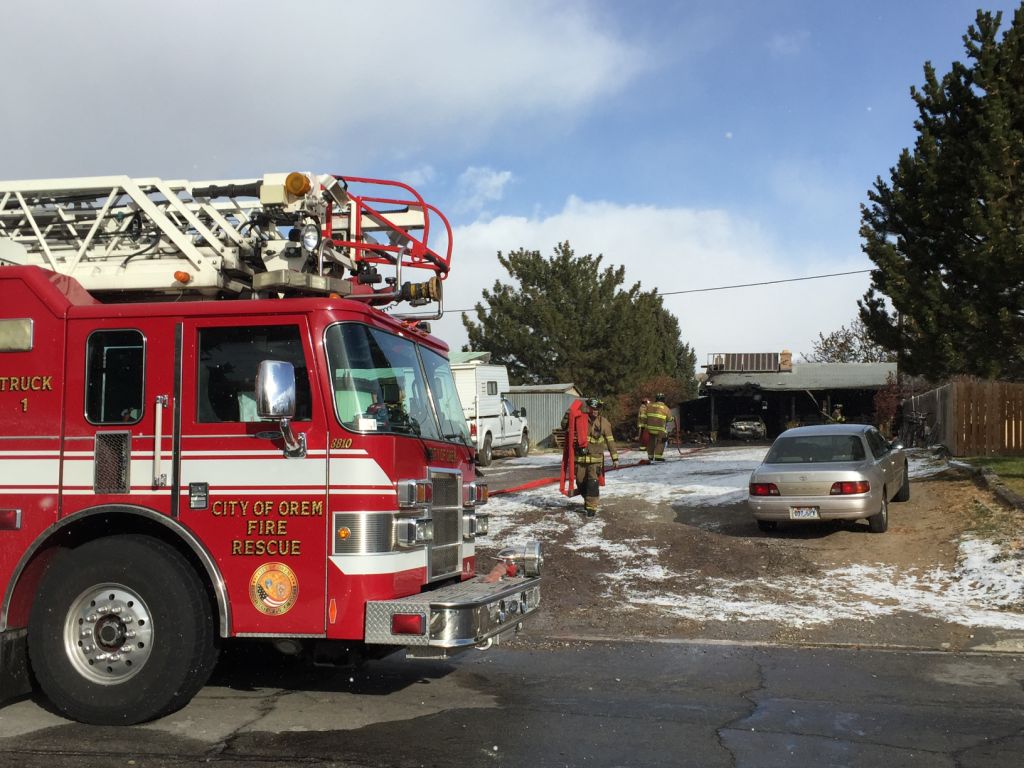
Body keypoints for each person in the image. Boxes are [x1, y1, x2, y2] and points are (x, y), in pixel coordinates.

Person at [560, 397, 618, 517]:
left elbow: (610, 441)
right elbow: (564, 426)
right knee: (580, 482)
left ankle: (591, 507)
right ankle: (588, 500)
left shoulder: (604, 423)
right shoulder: (579, 419)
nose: (595, 411)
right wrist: (568, 413)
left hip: (595, 461)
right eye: (592, 408)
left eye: (597, 409)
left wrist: (615, 458)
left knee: (593, 483)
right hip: (580, 460)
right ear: (588, 408)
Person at [643, 393, 672, 462]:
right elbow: (669, 419)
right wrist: (672, 419)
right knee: (662, 440)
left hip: (650, 428)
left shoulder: (650, 406)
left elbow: (645, 417)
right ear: (663, 399)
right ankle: (658, 456)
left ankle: (650, 456)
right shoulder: (665, 408)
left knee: (651, 441)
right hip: (660, 429)